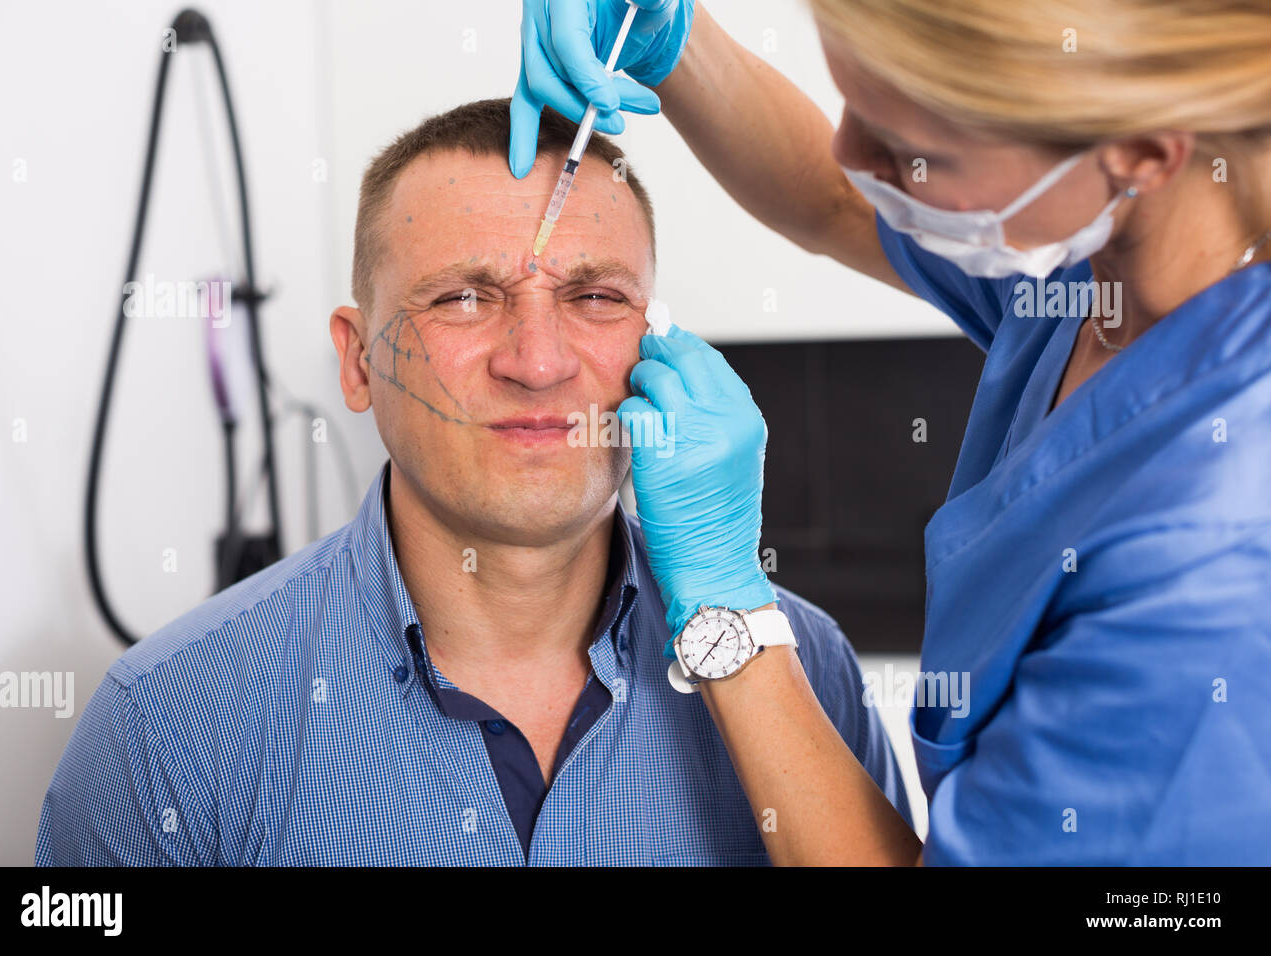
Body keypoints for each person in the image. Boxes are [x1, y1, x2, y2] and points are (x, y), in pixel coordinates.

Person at [35, 98, 910, 866]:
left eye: (597, 297)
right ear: (357, 361)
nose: (538, 362)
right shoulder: (164, 725)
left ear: (657, 343)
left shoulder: (802, 671)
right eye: (463, 297)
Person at [511, 0, 1271, 864]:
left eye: (910, 148)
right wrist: (678, 39)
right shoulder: (1095, 261)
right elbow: (839, 200)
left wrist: (727, 608)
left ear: (1142, 151)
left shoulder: (1219, 559)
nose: (851, 154)